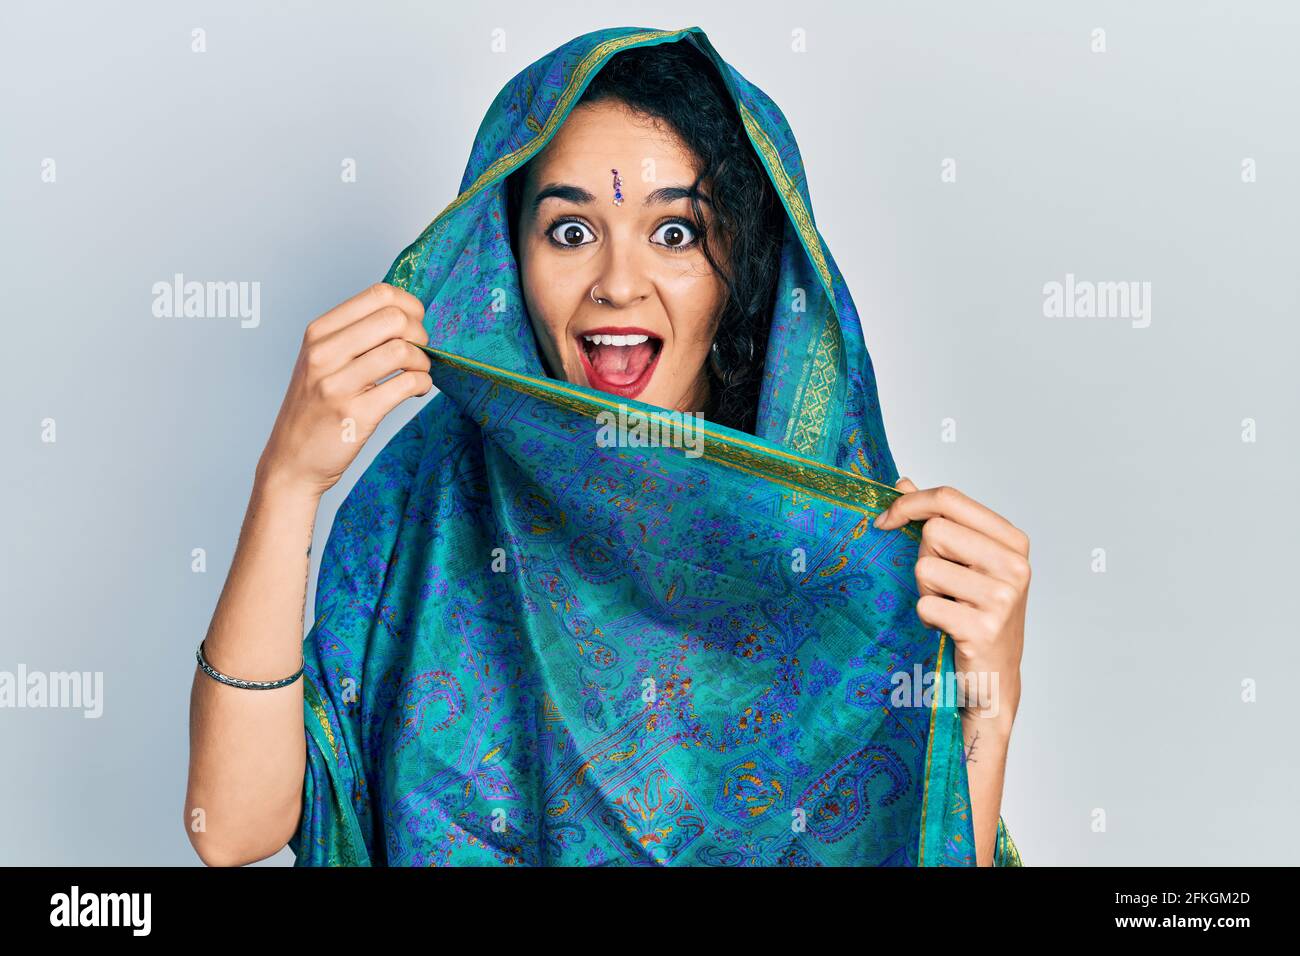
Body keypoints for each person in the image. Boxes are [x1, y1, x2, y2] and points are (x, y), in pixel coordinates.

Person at [185, 26, 1027, 867]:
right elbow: (231, 829)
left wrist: (984, 707)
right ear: (505, 255)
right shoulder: (430, 494)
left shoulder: (837, 552)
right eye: (570, 231)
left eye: (676, 234)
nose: (618, 284)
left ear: (747, 262)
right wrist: (287, 481)